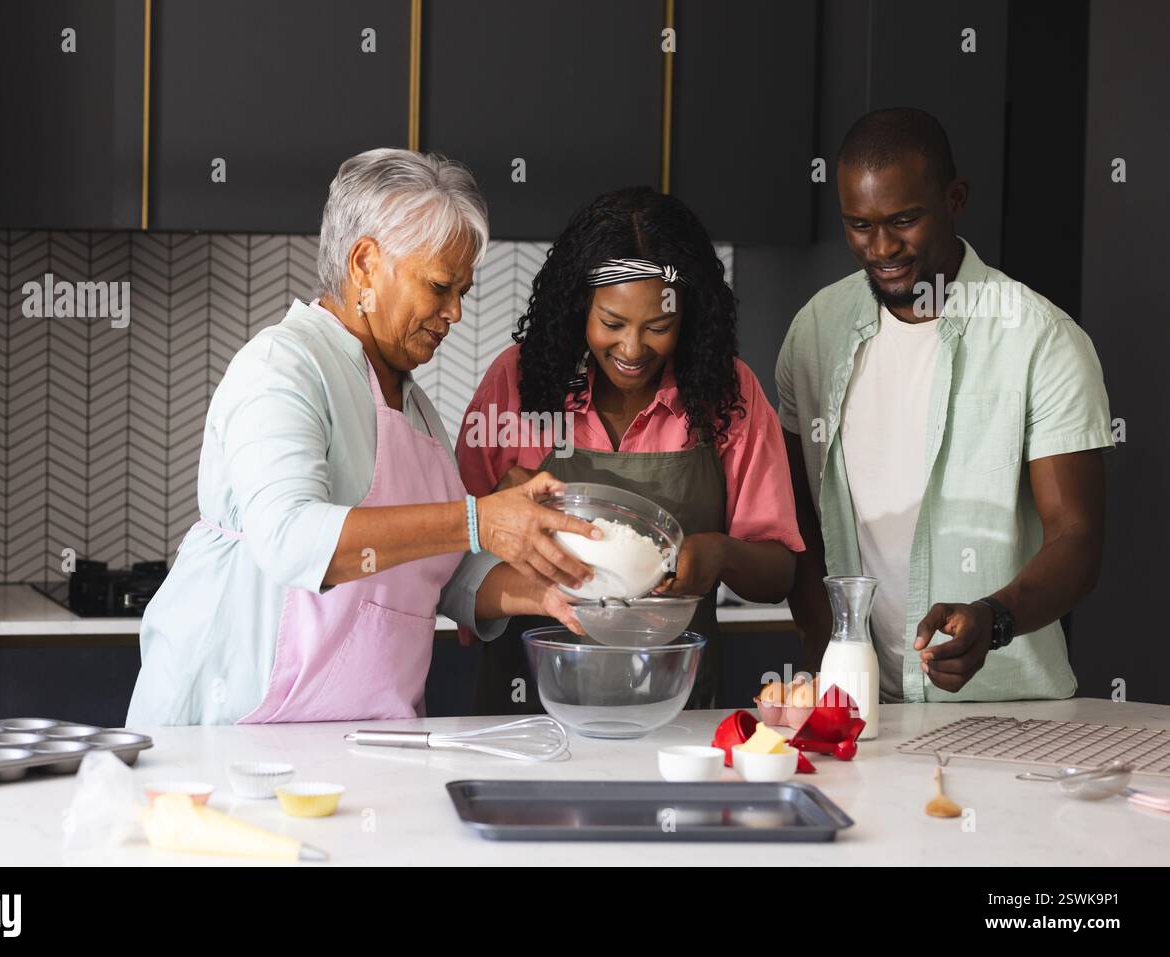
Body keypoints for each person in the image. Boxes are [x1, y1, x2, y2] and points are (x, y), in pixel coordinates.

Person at [127, 148, 599, 726]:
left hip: (365, 740)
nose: (454, 313)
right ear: (366, 263)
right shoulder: (284, 366)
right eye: (439, 286)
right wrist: (480, 518)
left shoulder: (415, 408)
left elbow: (441, 574)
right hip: (236, 734)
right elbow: (291, 538)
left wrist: (547, 590)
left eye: (463, 293)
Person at [777, 108, 1111, 703]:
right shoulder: (815, 333)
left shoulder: (1040, 338)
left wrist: (995, 617)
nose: (881, 248)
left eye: (904, 221)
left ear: (955, 198)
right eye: (860, 225)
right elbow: (799, 517)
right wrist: (820, 643)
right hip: (862, 708)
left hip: (1008, 713)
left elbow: (1077, 538)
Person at [458, 187, 804, 713]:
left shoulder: (728, 394)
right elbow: (454, 557)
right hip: (528, 707)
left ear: (689, 314)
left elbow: (779, 572)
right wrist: (500, 526)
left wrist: (722, 553)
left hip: (672, 709)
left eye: (658, 327)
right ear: (580, 305)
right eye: (612, 324)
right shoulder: (518, 383)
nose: (633, 349)